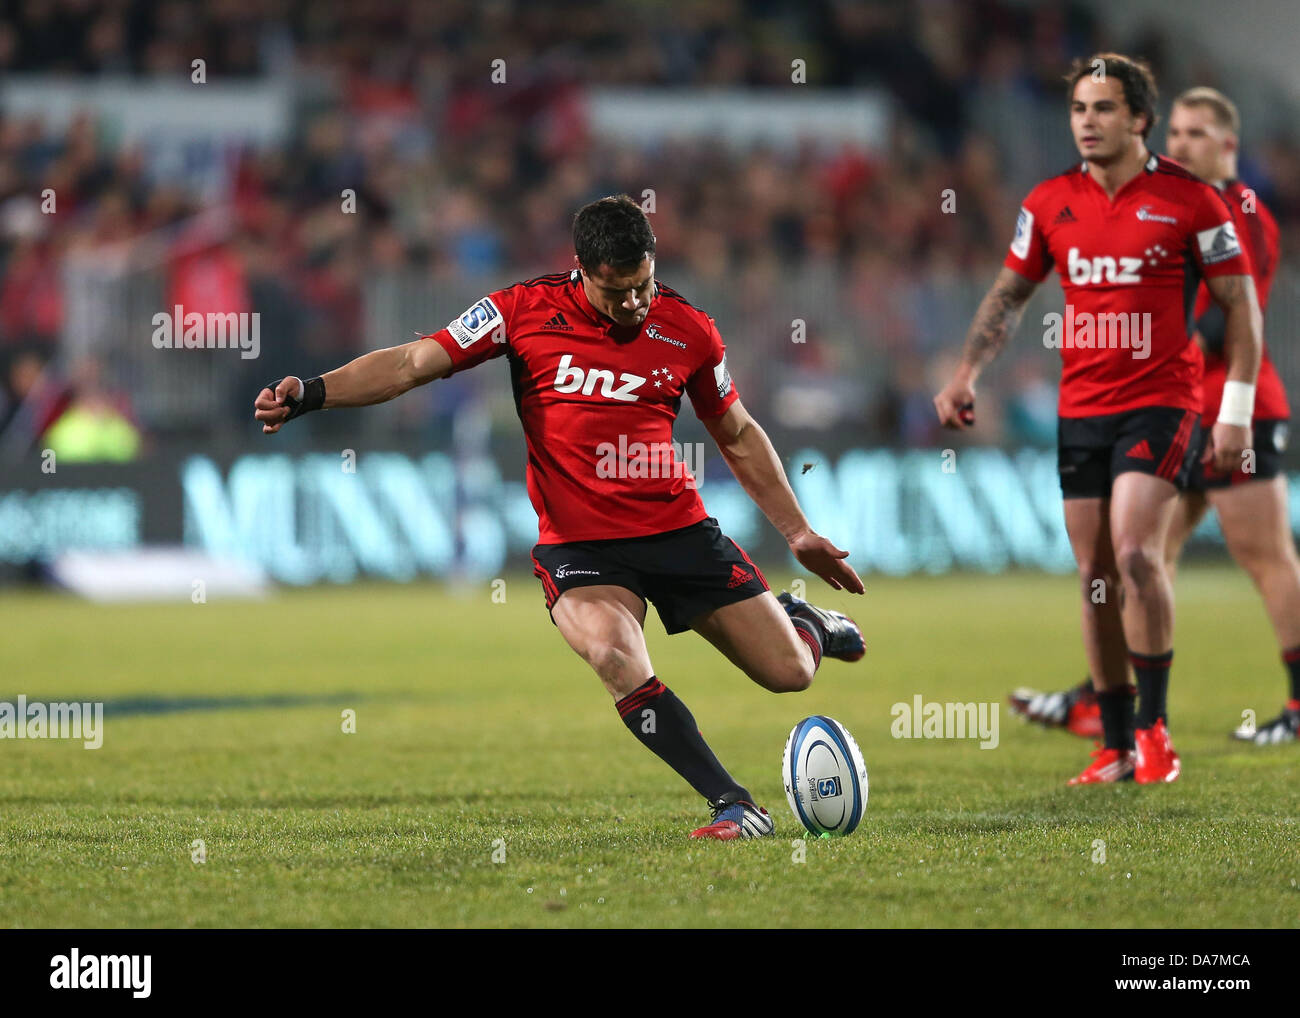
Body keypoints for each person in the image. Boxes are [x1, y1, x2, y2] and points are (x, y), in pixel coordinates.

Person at [254, 194, 866, 838]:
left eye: (643, 285)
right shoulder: (518, 312)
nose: (633, 302)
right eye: (616, 291)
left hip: (679, 530)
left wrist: (797, 532)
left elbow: (736, 432)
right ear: (582, 269)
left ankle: (807, 628)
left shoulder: (689, 329)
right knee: (613, 654)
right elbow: (412, 364)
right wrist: (314, 393)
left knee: (788, 675)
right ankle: (735, 805)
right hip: (581, 547)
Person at [934, 55, 1263, 784]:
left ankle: (1155, 731)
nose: (1088, 121)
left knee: (1137, 553)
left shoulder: (1192, 200)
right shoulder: (1050, 201)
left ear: (1140, 119)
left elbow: (1241, 307)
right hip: (1081, 407)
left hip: (1163, 400)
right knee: (1095, 574)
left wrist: (1234, 409)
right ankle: (1114, 742)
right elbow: (1008, 296)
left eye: (1104, 108)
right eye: (1080, 108)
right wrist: (966, 373)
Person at [1009, 87, 1299, 747]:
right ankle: (1106, 697)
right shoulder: (1172, 206)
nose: (1183, 144)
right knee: (1142, 557)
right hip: (1174, 409)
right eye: (1179, 132)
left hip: (1231, 407)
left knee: (1263, 553)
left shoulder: (1238, 212)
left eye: (1200, 134)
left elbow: (1232, 315)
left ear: (1228, 147)